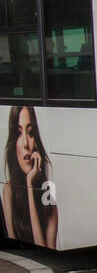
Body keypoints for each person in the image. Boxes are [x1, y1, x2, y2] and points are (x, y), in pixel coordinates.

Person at [2, 105, 59, 248]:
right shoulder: (8, 190)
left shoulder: (48, 195)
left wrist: (30, 185)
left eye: (30, 133)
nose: (26, 143)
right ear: (13, 142)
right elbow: (12, 242)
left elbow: (45, 248)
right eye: (19, 133)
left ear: (36, 144)